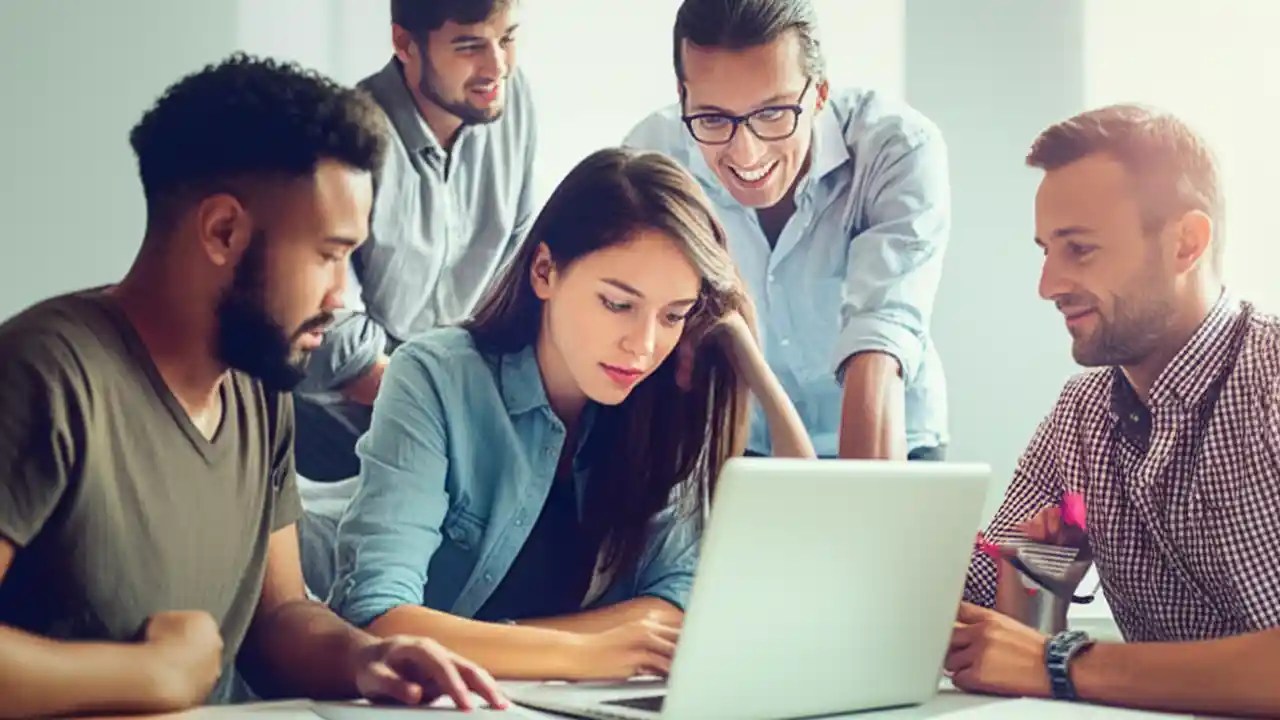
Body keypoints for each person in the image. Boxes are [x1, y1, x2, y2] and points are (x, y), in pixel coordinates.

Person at [0, 54, 507, 717]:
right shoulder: (44, 374)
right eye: (328, 255)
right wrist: (148, 674)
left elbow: (280, 618)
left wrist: (368, 659)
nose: (339, 295)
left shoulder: (259, 388)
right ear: (223, 232)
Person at [306, 148, 814, 681]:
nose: (643, 345)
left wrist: (741, 349)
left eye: (673, 315)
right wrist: (584, 653)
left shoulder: (666, 398)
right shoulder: (436, 377)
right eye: (618, 304)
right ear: (545, 271)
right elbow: (378, 619)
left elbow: (675, 605)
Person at [950, 105, 1280, 717]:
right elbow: (975, 592)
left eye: (1080, 249)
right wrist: (1026, 588)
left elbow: (1036, 659)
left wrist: (1061, 663)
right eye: (1046, 250)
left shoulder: (1271, 383)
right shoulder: (1081, 414)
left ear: (1186, 243)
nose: (1047, 284)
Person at [623, 0, 950, 460]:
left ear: (818, 93)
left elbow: (880, 337)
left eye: (774, 113)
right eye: (713, 118)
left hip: (893, 437)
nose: (747, 153)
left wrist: (873, 508)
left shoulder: (896, 148)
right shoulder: (653, 158)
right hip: (743, 442)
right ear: (683, 96)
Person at [294, 0, 536, 482]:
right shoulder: (346, 137)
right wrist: (443, 408)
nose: (498, 66)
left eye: (507, 39)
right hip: (346, 415)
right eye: (469, 46)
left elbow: (519, 259)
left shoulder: (512, 104)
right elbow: (322, 322)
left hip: (461, 391)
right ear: (404, 44)